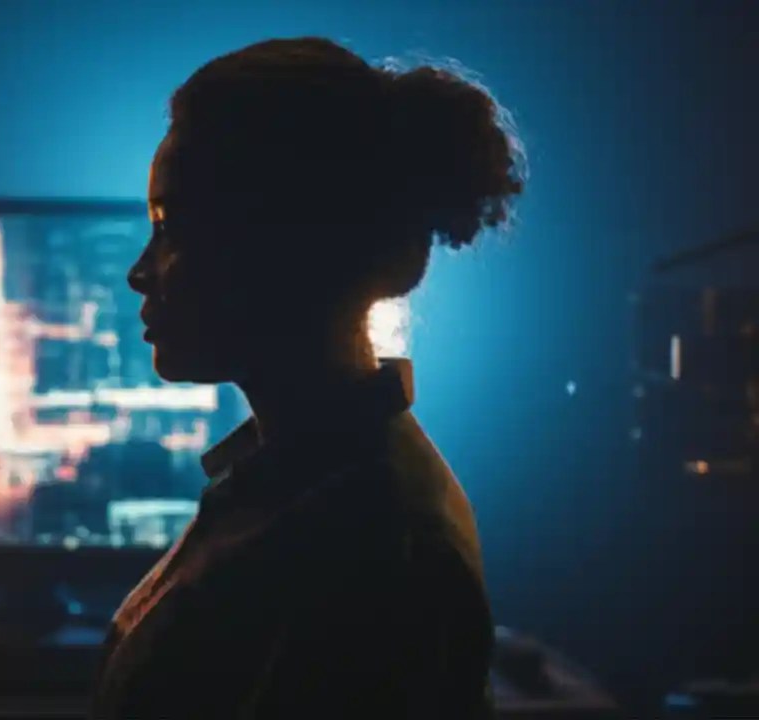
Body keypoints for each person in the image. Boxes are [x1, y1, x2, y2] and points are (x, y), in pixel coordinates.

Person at [90, 37, 525, 718]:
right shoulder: (298, 485)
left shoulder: (381, 552)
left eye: (174, 227)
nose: (140, 271)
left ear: (284, 240)